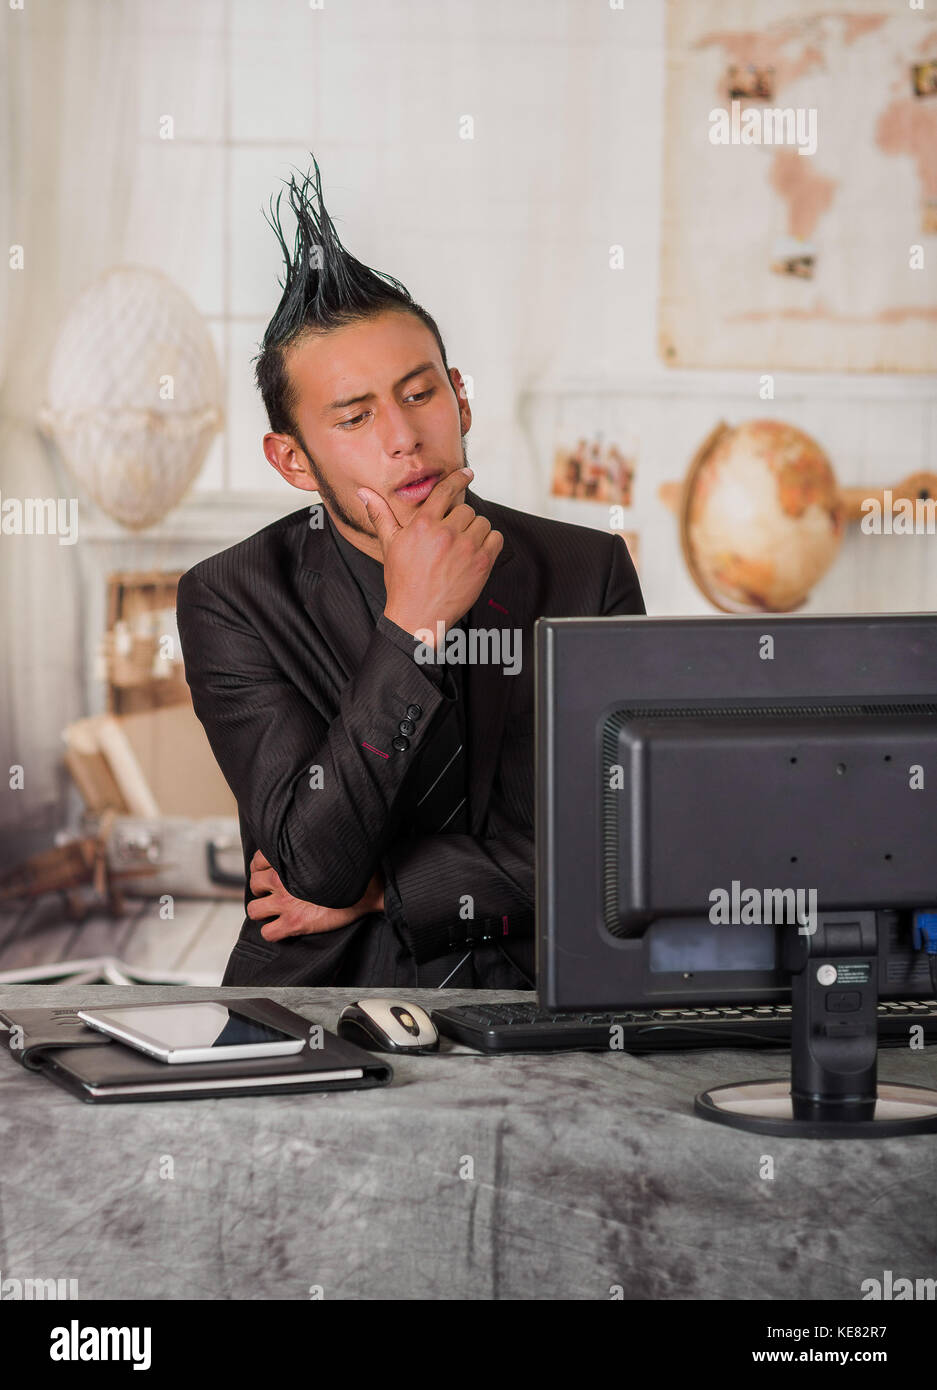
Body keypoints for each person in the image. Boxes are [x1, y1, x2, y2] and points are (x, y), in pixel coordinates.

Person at [176, 156, 646, 989]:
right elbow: (312, 867)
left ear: (460, 401)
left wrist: (388, 889)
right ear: (291, 459)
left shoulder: (588, 570)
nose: (403, 437)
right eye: (356, 417)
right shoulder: (232, 598)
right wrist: (415, 624)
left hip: (545, 990)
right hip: (321, 995)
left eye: (420, 395)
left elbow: (619, 844)